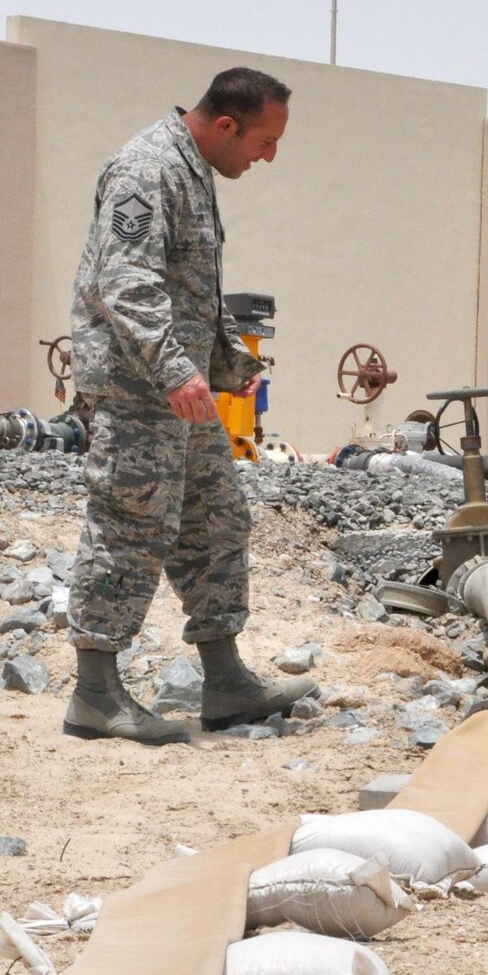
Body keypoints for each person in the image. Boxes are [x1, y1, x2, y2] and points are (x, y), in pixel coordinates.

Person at [63, 67, 313, 743]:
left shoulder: (193, 167)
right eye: (264, 140)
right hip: (139, 387)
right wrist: (178, 367)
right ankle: (94, 692)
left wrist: (229, 364)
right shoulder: (146, 169)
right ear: (226, 125)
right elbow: (127, 281)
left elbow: (193, 289)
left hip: (182, 391)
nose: (269, 156)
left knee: (216, 520)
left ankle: (226, 679)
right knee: (129, 524)